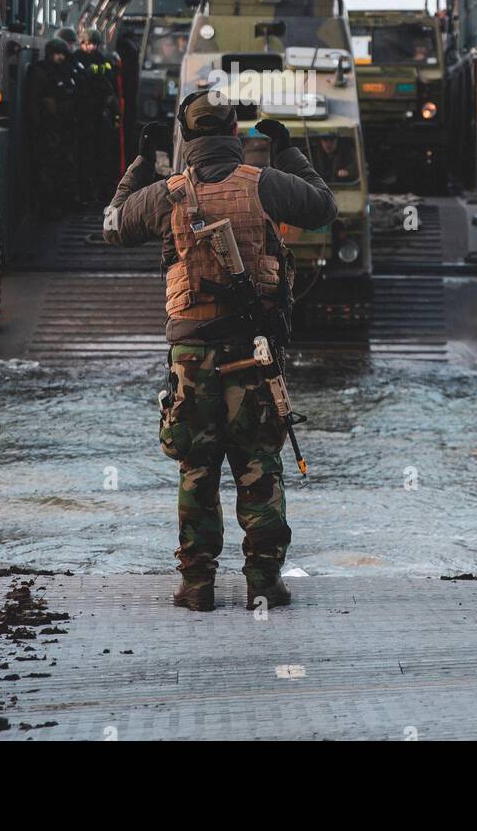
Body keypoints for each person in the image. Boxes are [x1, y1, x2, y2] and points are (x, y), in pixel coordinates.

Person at [102, 92, 337, 612]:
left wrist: (140, 166)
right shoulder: (265, 184)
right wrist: (286, 154)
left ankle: (196, 586)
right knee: (259, 466)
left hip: (190, 355)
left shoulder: (169, 194)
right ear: (235, 135)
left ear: (186, 139)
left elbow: (113, 226)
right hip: (253, 353)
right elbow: (324, 208)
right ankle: (264, 584)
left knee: (196, 469)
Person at [27, 38, 78, 220]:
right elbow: (35, 102)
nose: (60, 57)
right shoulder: (41, 72)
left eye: (63, 54)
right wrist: (37, 126)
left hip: (63, 128)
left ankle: (62, 203)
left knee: (63, 167)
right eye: (57, 54)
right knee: (47, 170)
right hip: (47, 130)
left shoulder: (64, 71)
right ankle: (48, 208)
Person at [76, 29, 121, 205]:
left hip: (100, 114)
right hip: (84, 115)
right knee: (85, 157)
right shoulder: (77, 58)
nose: (91, 47)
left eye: (94, 44)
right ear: (82, 43)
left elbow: (109, 78)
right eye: (88, 44)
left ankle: (102, 193)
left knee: (102, 155)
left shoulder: (101, 59)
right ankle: (87, 194)